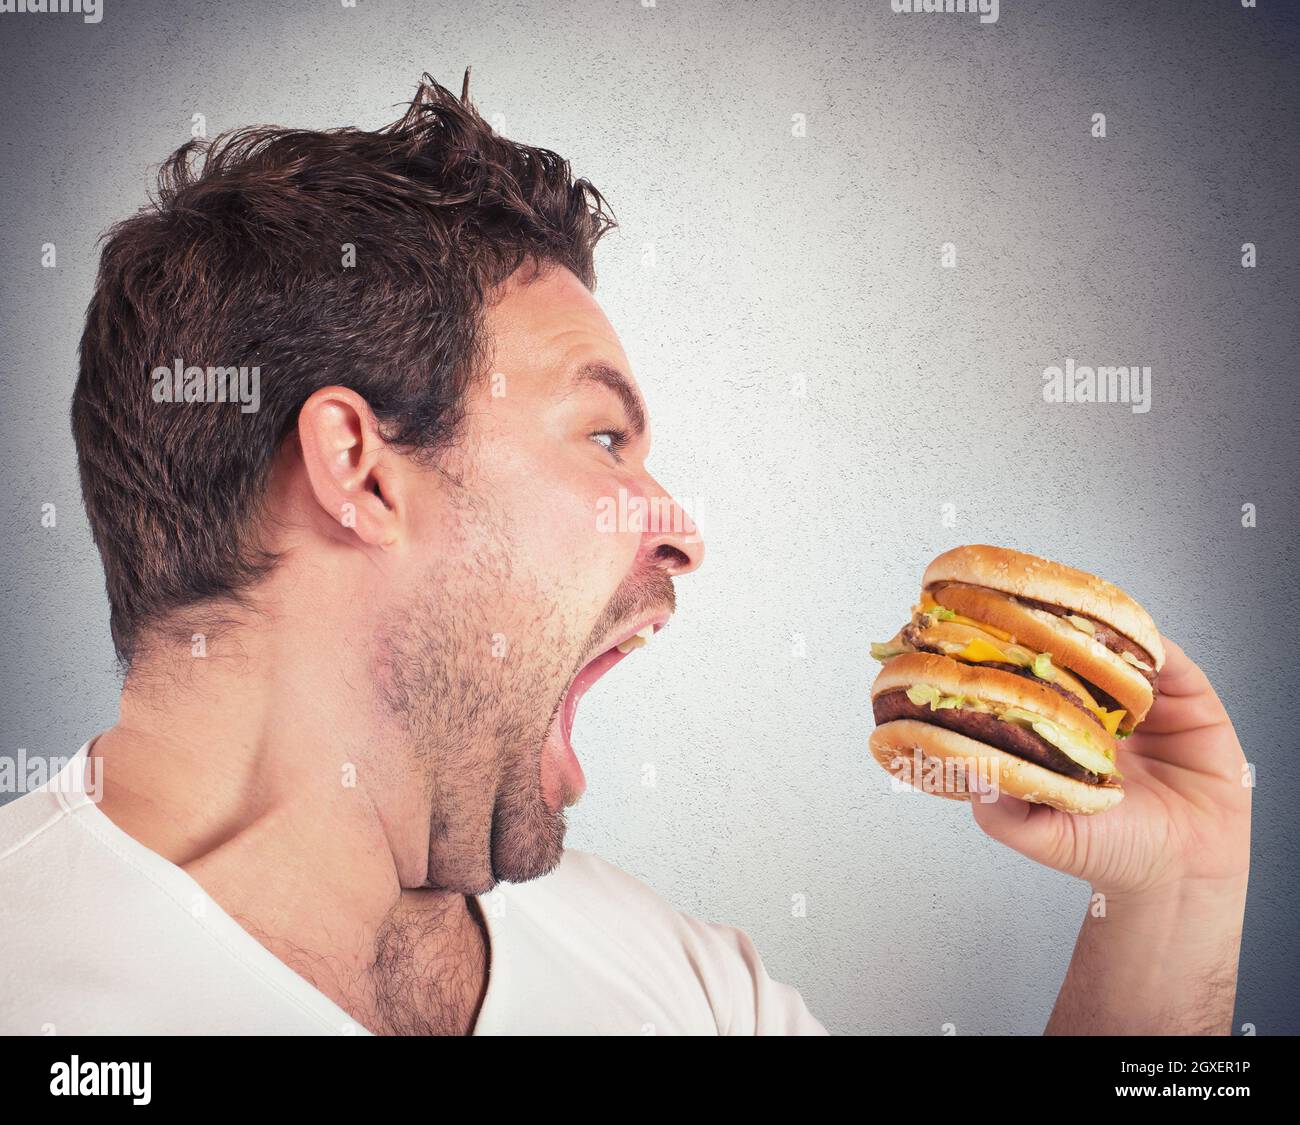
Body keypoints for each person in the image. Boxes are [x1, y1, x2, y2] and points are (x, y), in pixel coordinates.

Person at [0, 74, 1249, 1035]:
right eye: (602, 436)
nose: (681, 532)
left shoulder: (686, 987)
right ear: (360, 469)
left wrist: (1173, 895)